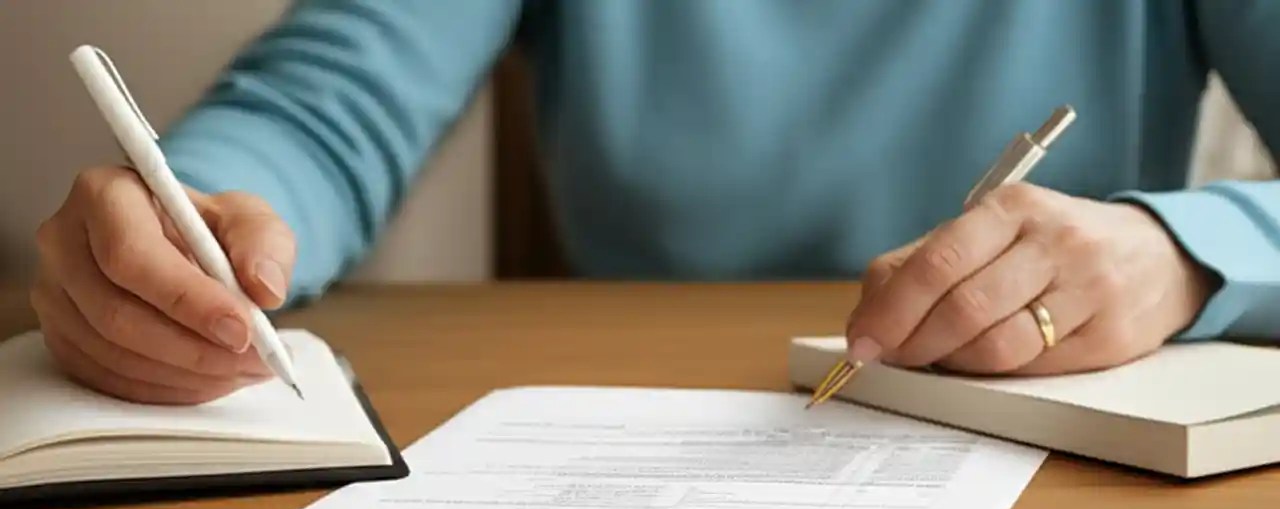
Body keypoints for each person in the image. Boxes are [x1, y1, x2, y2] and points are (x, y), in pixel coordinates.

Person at [30, 0, 1279, 405]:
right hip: (642, 445)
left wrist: (1185, 252)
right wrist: (197, 218)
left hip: (1061, 469)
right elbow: (325, 103)